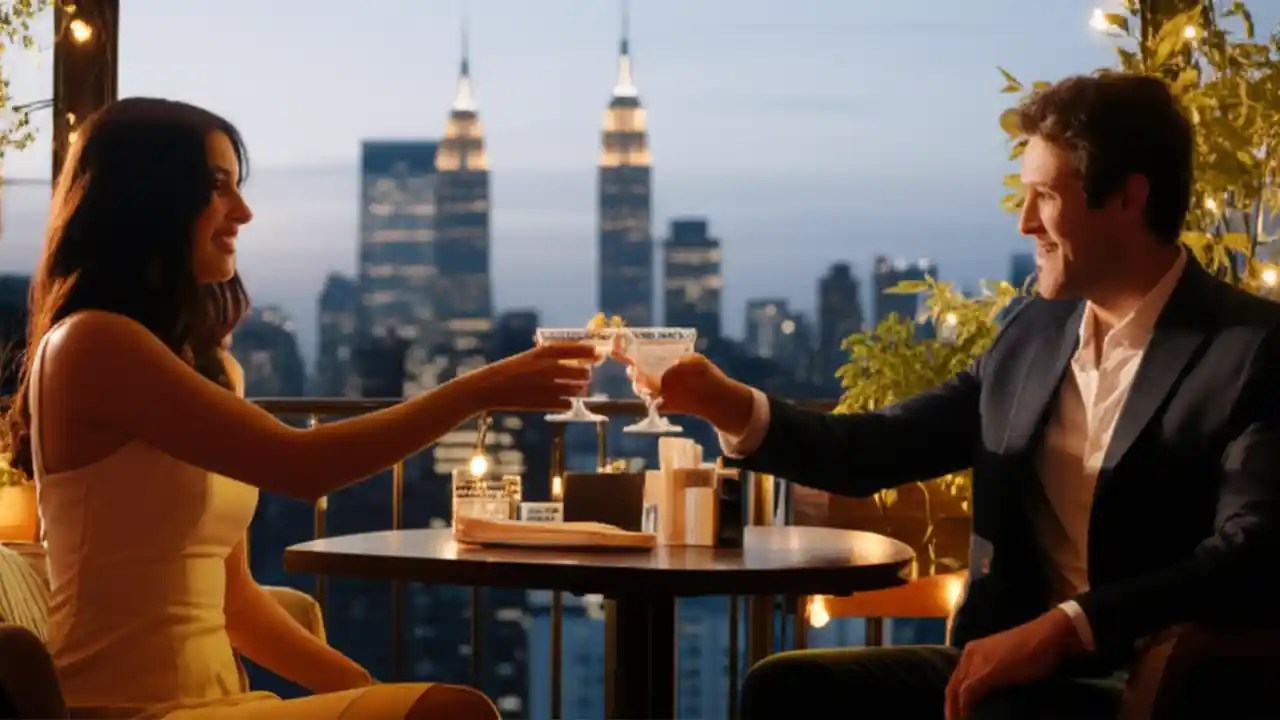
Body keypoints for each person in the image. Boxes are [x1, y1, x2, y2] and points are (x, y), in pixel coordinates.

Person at [633, 73, 1280, 719]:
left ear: (1128, 199)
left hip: (1149, 684)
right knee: (785, 690)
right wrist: (724, 403)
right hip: (999, 670)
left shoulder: (1251, 350)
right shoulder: (1034, 333)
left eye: (1044, 196)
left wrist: (1068, 626)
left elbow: (1251, 550)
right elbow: (875, 450)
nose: (1025, 222)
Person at [2, 97, 596, 719]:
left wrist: (359, 684)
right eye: (217, 187)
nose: (243, 211)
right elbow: (301, 466)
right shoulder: (93, 344)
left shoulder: (206, 365)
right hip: (123, 707)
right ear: (150, 198)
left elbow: (233, 599)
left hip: (217, 703)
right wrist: (479, 390)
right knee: (457, 712)